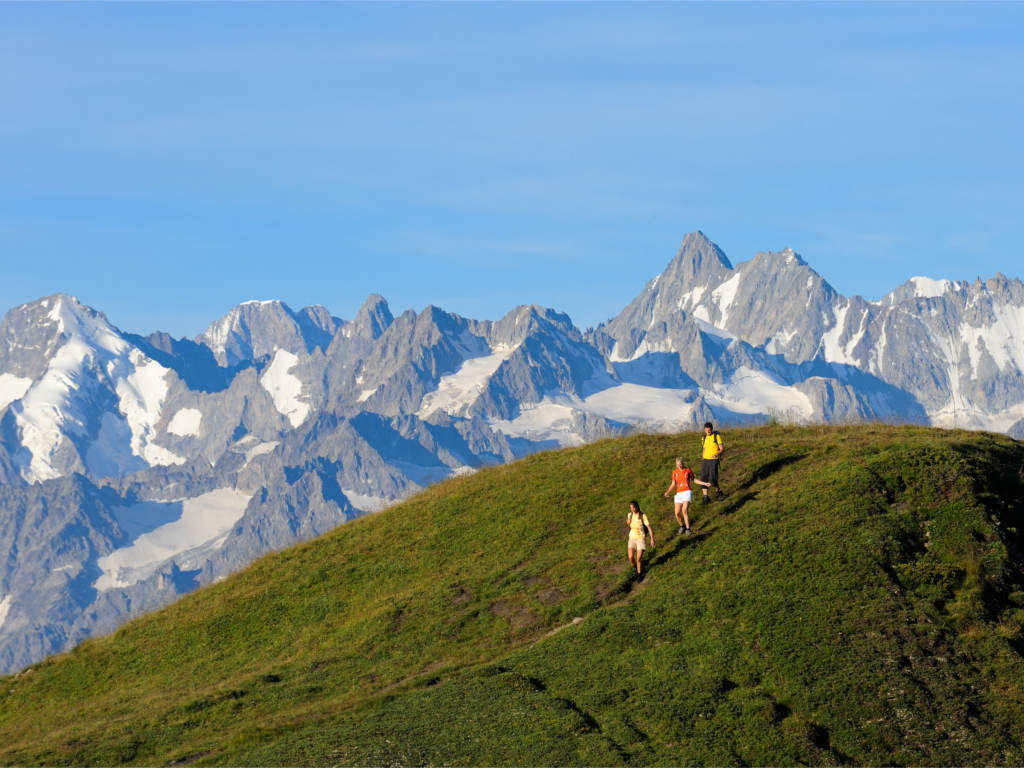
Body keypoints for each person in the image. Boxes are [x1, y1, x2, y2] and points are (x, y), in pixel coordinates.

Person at [664, 456, 701, 535]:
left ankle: (688, 529)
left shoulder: (688, 470)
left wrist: (704, 483)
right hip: (679, 493)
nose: (679, 466)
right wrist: (668, 492)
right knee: (677, 513)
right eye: (678, 465)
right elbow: (673, 484)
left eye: (680, 464)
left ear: (683, 463)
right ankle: (682, 526)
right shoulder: (675, 472)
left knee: (684, 510)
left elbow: (694, 479)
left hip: (687, 492)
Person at [626, 500, 655, 581]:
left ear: (637, 507)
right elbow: (630, 525)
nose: (632, 509)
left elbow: (649, 527)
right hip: (632, 538)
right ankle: (636, 566)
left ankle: (639, 573)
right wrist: (628, 522)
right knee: (631, 557)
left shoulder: (643, 516)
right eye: (631, 508)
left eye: (633, 507)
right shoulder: (630, 515)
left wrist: (652, 539)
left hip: (641, 539)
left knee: (638, 558)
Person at [699, 421, 725, 504]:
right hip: (705, 460)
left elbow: (722, 448)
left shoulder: (716, 436)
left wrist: (717, 453)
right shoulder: (703, 438)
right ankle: (705, 497)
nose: (707, 432)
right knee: (703, 478)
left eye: (709, 431)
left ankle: (719, 491)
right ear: (704, 430)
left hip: (714, 460)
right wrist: (702, 458)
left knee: (712, 478)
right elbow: (704, 448)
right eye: (706, 431)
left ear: (711, 429)